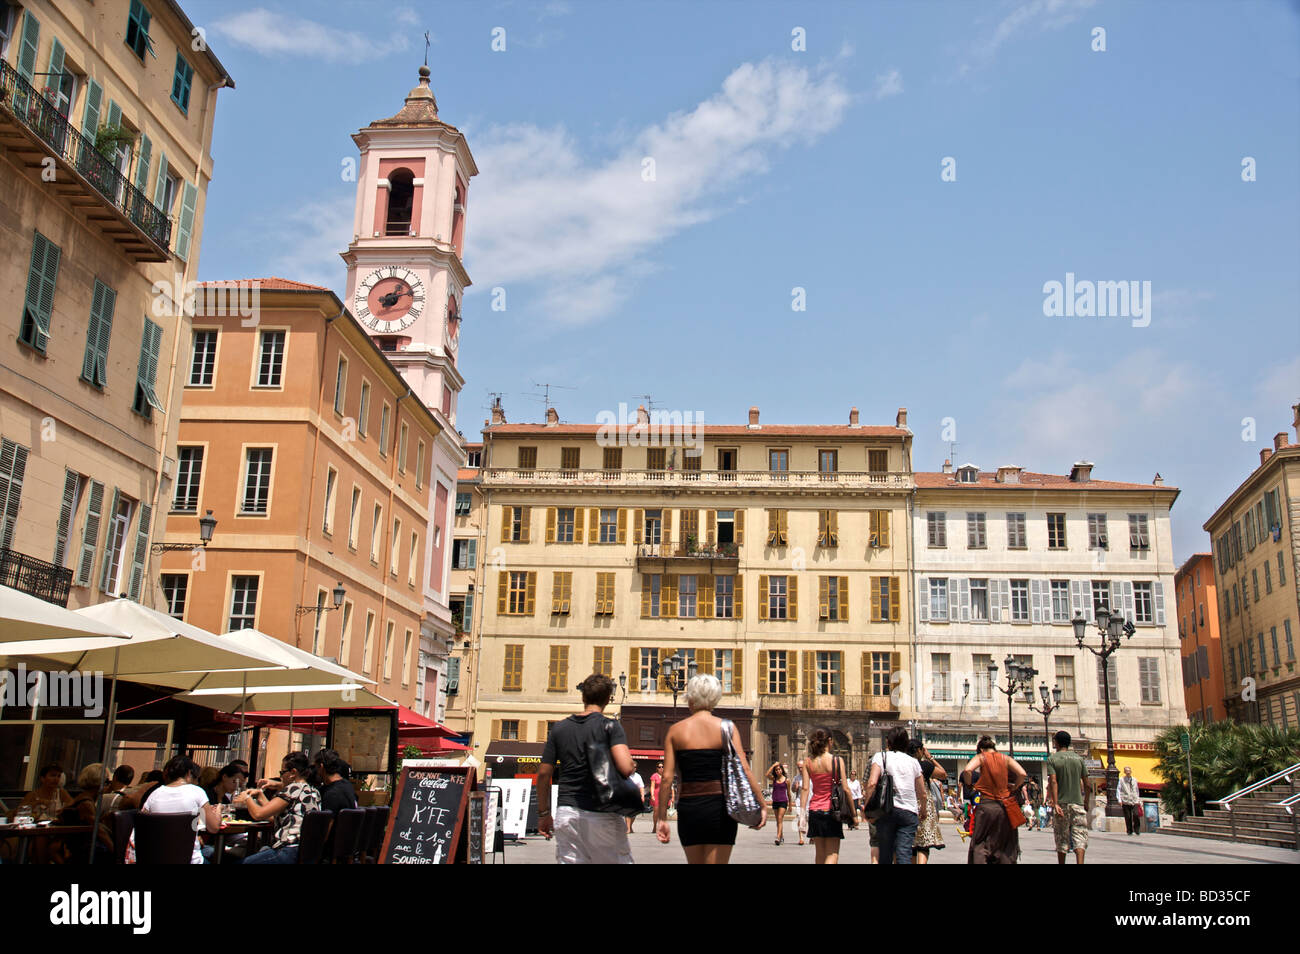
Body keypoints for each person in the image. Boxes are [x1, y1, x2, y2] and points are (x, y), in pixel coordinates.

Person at [657, 675, 766, 863]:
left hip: (689, 808)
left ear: (690, 698)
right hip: (720, 807)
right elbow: (745, 769)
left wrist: (661, 818)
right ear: (715, 698)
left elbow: (667, 778)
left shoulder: (675, 731)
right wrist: (762, 804)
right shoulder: (727, 727)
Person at [537, 673, 636, 864]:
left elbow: (543, 774)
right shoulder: (611, 727)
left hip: (568, 811)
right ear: (608, 698)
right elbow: (626, 767)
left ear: (583, 696)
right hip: (602, 812)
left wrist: (543, 814)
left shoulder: (560, 728)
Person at [128, 755, 220, 865]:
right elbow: (213, 828)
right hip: (190, 860)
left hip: (156, 858)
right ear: (189, 773)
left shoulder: (155, 794)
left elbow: (142, 826)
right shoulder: (197, 792)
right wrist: (218, 810)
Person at [235, 751, 322, 864]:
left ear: (293, 773)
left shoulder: (293, 788)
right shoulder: (314, 791)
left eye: (282, 772)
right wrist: (260, 796)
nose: (280, 777)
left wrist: (246, 798)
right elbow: (272, 816)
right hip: (305, 852)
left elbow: (258, 814)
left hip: (288, 851)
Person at [864, 727, 927, 865]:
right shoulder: (913, 762)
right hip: (909, 812)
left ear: (888, 741)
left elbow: (872, 783)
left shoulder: (880, 757)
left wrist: (867, 808)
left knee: (885, 854)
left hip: (886, 810)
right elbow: (922, 792)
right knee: (904, 853)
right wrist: (923, 810)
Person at [962, 736, 1028, 864]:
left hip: (986, 806)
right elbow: (1022, 774)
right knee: (1004, 843)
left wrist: (969, 784)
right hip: (1004, 807)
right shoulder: (1006, 758)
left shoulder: (981, 757)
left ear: (981, 749)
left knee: (980, 842)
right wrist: (1015, 786)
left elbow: (968, 770)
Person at [800, 728, 854, 864]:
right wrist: (853, 813)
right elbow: (846, 789)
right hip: (832, 811)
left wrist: (801, 814)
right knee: (832, 854)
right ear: (830, 741)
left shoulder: (808, 762)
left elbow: (805, 788)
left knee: (819, 853)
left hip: (814, 811)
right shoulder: (837, 761)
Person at [1046, 731, 1091, 864]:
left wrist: (1055, 803)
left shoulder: (1053, 759)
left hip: (1062, 804)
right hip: (1078, 803)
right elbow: (1087, 784)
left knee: (1062, 837)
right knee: (1080, 836)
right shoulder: (1079, 759)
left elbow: (1053, 781)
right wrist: (1086, 801)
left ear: (1057, 743)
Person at [907, 739, 947, 863]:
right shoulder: (924, 765)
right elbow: (943, 774)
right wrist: (930, 757)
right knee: (924, 844)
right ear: (919, 750)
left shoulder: (905, 763)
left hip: (908, 804)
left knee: (912, 843)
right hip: (924, 805)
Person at [767, 761, 791, 844]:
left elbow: (789, 793)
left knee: (780, 818)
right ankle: (781, 836)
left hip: (783, 801)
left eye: (779, 769)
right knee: (778, 820)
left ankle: (777, 837)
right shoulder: (774, 779)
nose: (778, 771)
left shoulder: (787, 780)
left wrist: (790, 805)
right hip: (775, 801)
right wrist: (773, 765)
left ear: (782, 770)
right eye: (776, 770)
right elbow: (767, 774)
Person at [1117, 766, 1142, 835]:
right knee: (1128, 816)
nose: (1128, 772)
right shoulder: (1121, 780)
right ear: (1124, 772)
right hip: (1125, 800)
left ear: (1131, 772)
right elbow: (1118, 790)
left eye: (1129, 771)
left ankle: (1137, 829)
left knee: (1136, 814)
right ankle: (1129, 830)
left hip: (1134, 800)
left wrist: (1138, 799)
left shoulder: (1134, 780)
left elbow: (1136, 790)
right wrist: (1119, 799)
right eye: (1126, 771)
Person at [790, 761, 807, 845]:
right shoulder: (796, 778)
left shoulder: (810, 777)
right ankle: (801, 838)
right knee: (800, 817)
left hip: (809, 801)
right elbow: (792, 790)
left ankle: (811, 836)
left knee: (809, 819)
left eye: (802, 767)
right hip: (799, 801)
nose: (800, 769)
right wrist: (795, 787)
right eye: (799, 767)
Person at [626, 764, 645, 834]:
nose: (634, 768)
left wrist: (642, 796)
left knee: (634, 813)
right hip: (627, 796)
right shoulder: (625, 774)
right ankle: (627, 828)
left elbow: (641, 787)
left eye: (635, 767)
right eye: (632, 767)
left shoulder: (638, 776)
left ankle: (630, 826)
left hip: (636, 796)